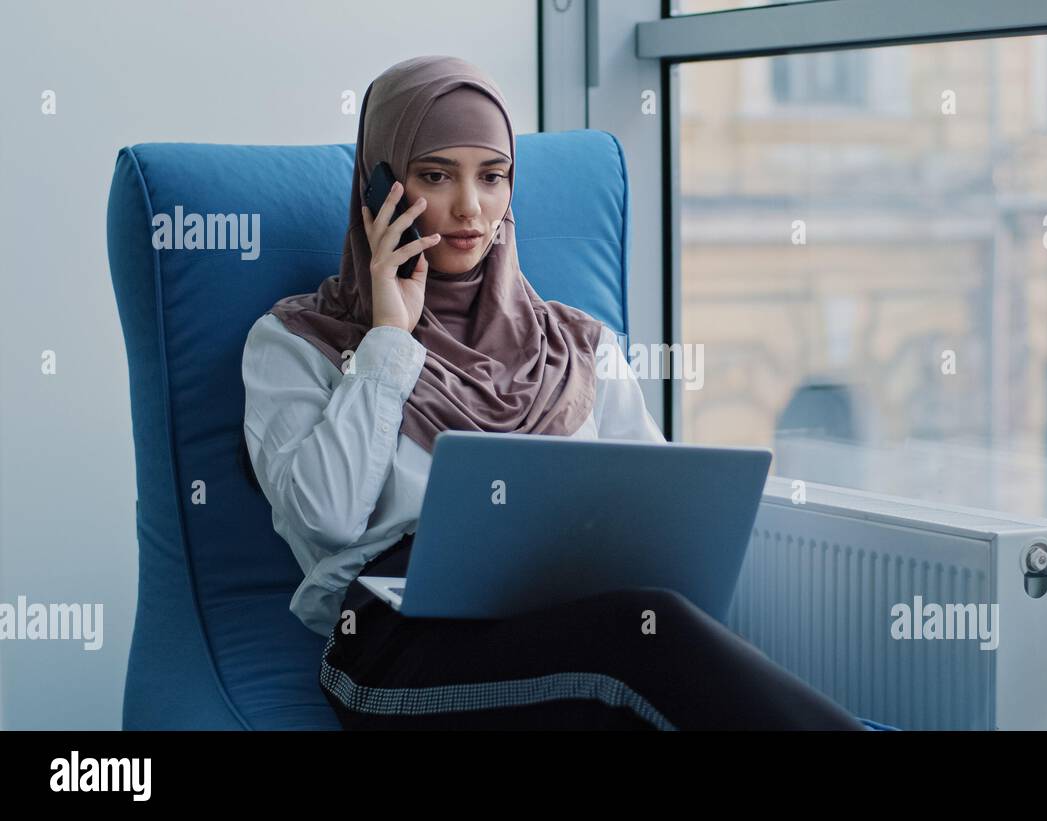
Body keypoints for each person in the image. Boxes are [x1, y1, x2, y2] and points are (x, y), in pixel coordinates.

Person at [241, 55, 865, 730]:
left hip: (563, 627)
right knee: (637, 643)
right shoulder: (296, 341)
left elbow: (656, 515)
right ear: (379, 185)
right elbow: (326, 515)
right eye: (433, 175)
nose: (469, 207)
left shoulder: (576, 345)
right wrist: (390, 337)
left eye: (493, 176)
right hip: (394, 649)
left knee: (656, 628)